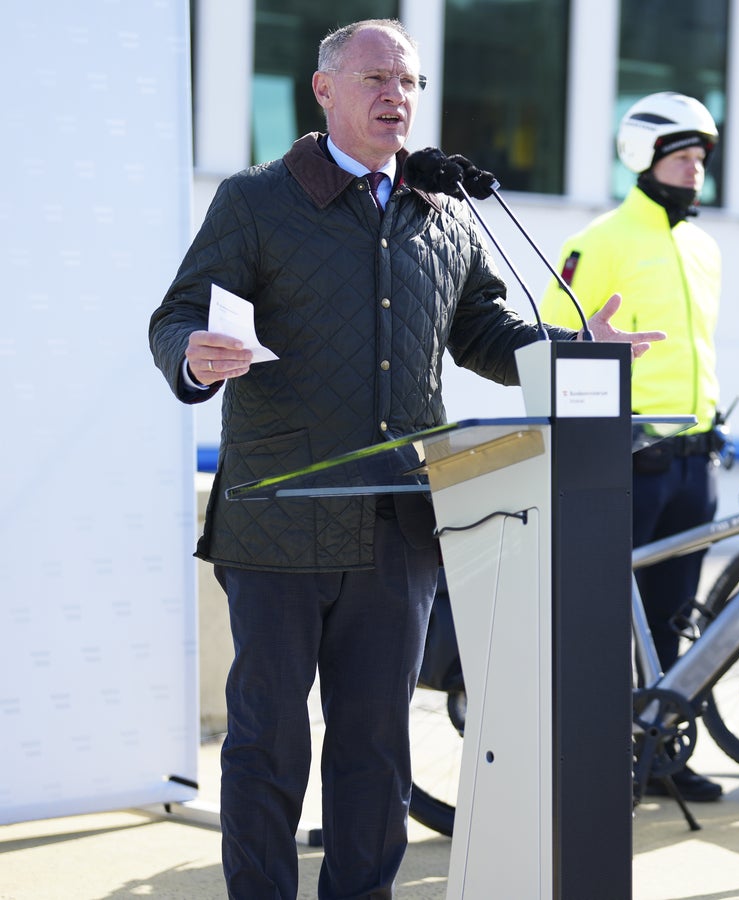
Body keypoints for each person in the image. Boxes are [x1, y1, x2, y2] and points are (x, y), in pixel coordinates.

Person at [147, 20, 661, 898]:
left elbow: (483, 334)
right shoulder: (256, 202)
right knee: (269, 746)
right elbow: (177, 317)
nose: (397, 96)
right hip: (278, 523)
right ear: (325, 89)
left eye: (410, 82)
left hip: (401, 526)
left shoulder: (447, 213)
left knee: (376, 747)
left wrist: (572, 342)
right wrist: (194, 355)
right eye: (377, 77)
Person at [542, 91, 725, 803]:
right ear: (642, 159)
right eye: (681, 157)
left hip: (695, 460)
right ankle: (598, 757)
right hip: (630, 461)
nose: (694, 171)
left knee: (675, 613)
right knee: (611, 619)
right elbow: (554, 341)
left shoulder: (705, 247)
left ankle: (661, 752)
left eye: (701, 159)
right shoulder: (600, 242)